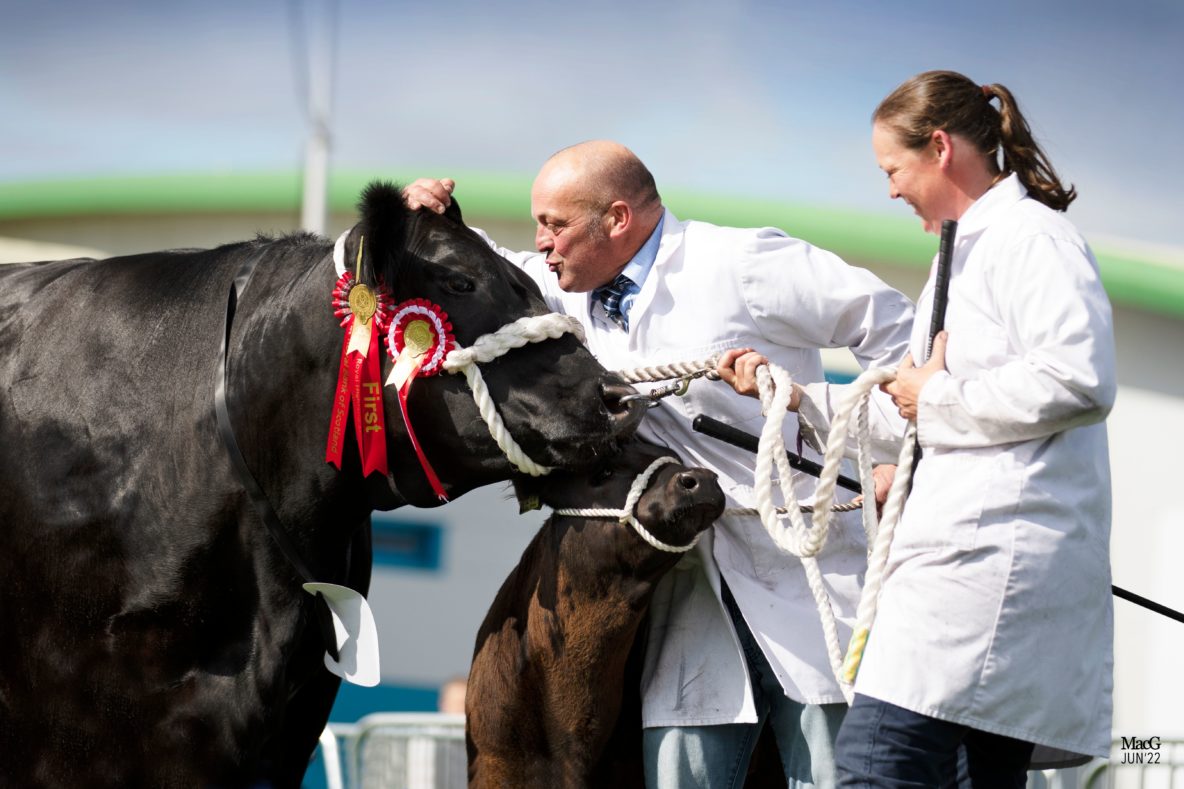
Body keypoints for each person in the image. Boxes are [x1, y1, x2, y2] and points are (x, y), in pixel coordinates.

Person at [404, 139, 914, 788]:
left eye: (555, 225)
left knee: (834, 777)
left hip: (802, 570)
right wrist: (436, 221)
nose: (543, 242)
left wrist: (869, 437)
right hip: (686, 589)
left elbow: (900, 331)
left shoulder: (745, 263)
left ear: (617, 220)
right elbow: (499, 268)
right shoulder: (567, 291)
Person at [722, 71, 1116, 787]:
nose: (891, 191)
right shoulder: (956, 261)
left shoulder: (1036, 239)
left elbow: (1080, 379)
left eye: (893, 169)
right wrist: (792, 398)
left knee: (875, 768)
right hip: (954, 568)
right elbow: (904, 401)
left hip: (990, 566)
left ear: (939, 147)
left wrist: (936, 395)